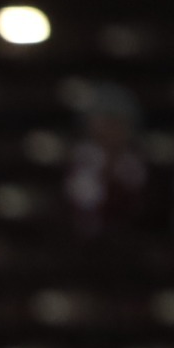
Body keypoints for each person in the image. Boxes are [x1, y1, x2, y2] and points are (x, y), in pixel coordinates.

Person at [64, 85, 150, 237]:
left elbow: (138, 204)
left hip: (129, 235)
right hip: (84, 237)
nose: (113, 130)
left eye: (119, 123)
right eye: (107, 123)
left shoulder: (134, 161)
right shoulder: (81, 158)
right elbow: (83, 202)